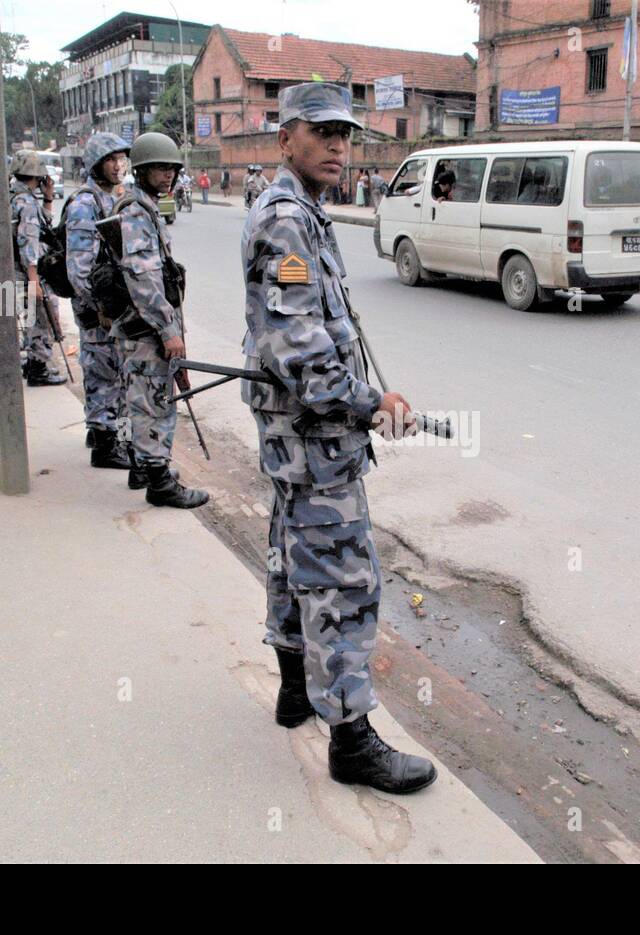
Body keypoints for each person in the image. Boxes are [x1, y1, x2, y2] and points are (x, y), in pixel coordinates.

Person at [241, 82, 437, 795]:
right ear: (285, 138)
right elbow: (302, 351)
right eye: (320, 132)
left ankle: (296, 690)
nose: (336, 146)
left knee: (293, 557)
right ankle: (350, 740)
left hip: (297, 437)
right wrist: (368, 404)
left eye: (345, 135)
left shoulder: (301, 213)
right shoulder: (288, 219)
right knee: (344, 580)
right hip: (315, 436)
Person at [110, 132, 209, 508]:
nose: (168, 175)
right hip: (147, 328)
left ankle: (147, 468)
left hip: (145, 326)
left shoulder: (145, 207)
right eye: (159, 168)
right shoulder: (136, 212)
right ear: (141, 170)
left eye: (171, 168)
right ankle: (159, 483)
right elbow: (142, 276)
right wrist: (169, 330)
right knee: (155, 403)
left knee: (148, 400)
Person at [64, 131, 134, 474]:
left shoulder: (108, 198)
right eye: (111, 159)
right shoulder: (85, 204)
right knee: (104, 375)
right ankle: (106, 445)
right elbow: (79, 268)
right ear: (96, 164)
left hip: (109, 307)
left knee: (110, 374)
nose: (118, 165)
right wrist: (100, 309)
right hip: (97, 311)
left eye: (120, 159)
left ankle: (101, 432)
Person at [9, 152, 68, 386]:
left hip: (18, 270)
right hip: (27, 272)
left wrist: (48, 198)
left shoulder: (15, 196)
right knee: (43, 316)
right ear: (39, 175)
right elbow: (29, 240)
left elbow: (42, 226)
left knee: (35, 317)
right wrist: (34, 279)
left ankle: (34, 362)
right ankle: (38, 368)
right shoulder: (25, 202)